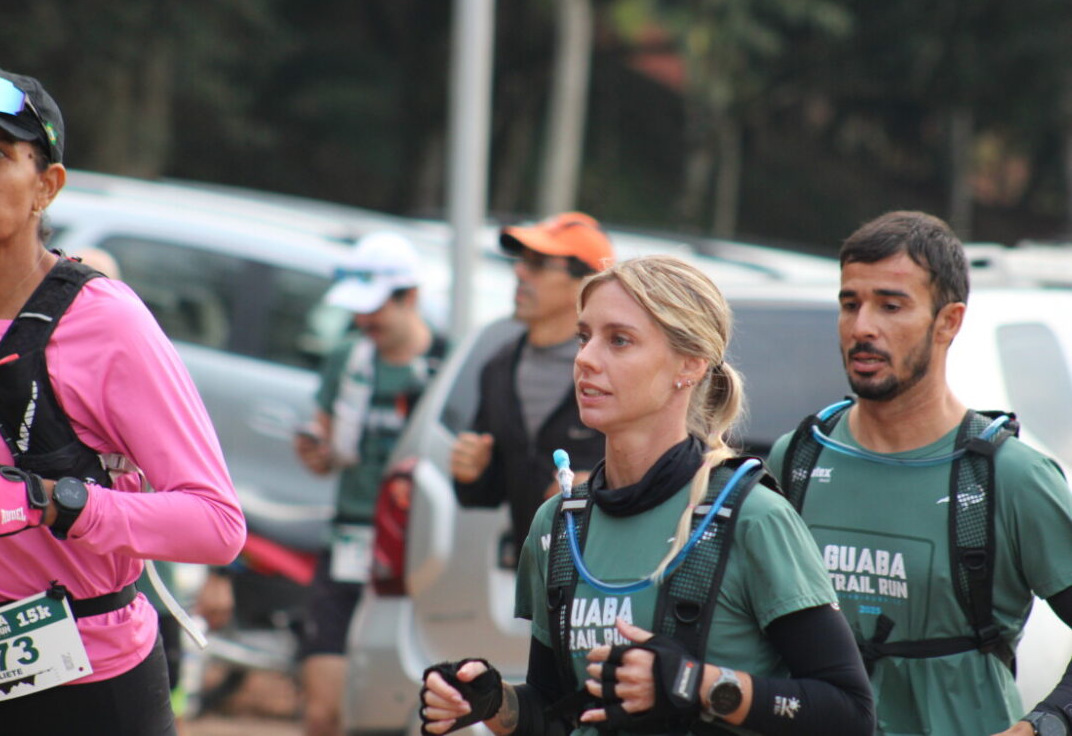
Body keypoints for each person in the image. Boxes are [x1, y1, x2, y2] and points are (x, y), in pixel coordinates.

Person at [0, 66, 245, 735]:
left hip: (93, 685)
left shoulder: (107, 321)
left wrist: (53, 502)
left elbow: (216, 525)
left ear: (46, 185)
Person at [420, 255, 875, 736]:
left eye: (619, 340)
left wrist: (696, 685)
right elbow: (557, 710)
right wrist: (492, 700)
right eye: (584, 336)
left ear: (690, 364)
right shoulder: (559, 523)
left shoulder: (752, 518)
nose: (586, 359)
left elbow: (848, 712)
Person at [767, 211, 1072, 736]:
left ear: (948, 321)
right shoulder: (797, 459)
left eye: (891, 305)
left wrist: (1043, 725)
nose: (862, 326)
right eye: (850, 304)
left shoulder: (1011, 477)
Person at [294, 231, 443, 736]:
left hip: (418, 553)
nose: (364, 321)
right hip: (349, 540)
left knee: (407, 712)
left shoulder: (446, 367)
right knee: (323, 713)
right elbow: (325, 447)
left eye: (375, 308)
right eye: (357, 310)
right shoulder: (349, 359)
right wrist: (315, 447)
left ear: (411, 298)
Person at [451, 212, 612, 563]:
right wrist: (471, 473)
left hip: (609, 574)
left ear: (586, 282)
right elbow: (489, 492)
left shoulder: (618, 370)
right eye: (521, 262)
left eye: (537, 264)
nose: (520, 272)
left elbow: (669, 471)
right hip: (537, 575)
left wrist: (602, 487)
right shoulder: (498, 367)